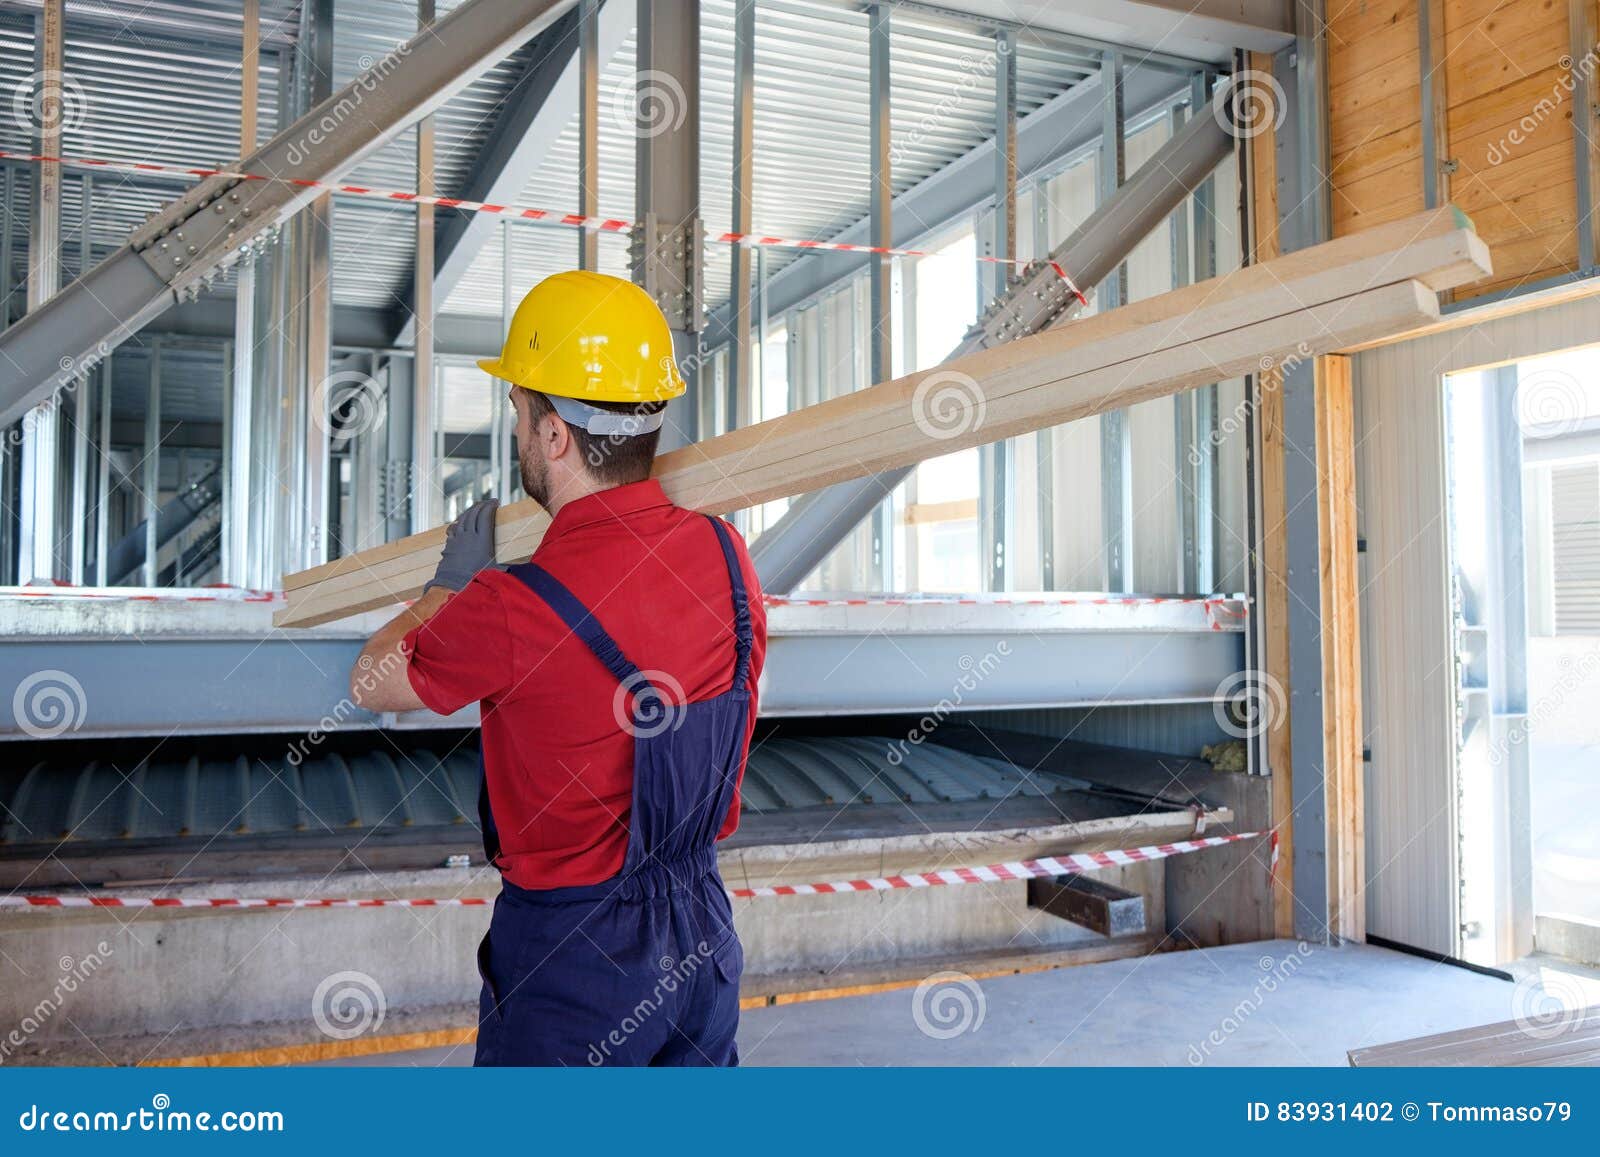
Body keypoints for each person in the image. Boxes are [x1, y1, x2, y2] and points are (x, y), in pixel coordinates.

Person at [351, 270, 766, 1066]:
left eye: (518, 412)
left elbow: (371, 682)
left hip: (575, 961)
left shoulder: (509, 604)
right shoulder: (726, 553)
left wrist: (443, 590)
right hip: (703, 941)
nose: (516, 435)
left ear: (554, 436)